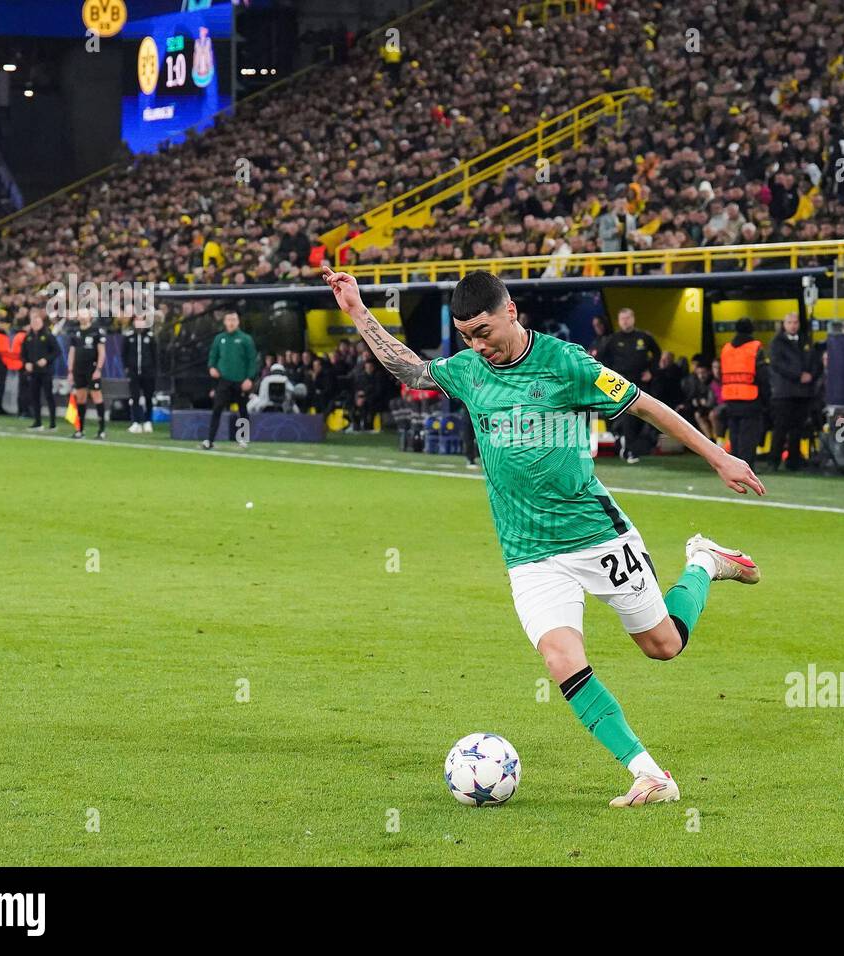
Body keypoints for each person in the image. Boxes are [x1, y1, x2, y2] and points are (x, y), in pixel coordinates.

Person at [324, 265, 765, 808]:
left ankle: (704, 562)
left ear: (511, 311)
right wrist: (357, 311)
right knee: (561, 659)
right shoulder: (468, 370)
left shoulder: (567, 364)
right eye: (466, 336)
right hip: (529, 553)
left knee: (663, 645)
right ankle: (651, 774)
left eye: (483, 332)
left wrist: (720, 458)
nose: (477, 345)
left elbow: (647, 406)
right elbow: (412, 371)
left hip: (596, 536)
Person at [596, 308, 660, 463]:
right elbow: (599, 359)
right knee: (627, 416)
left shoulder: (643, 337)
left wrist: (651, 371)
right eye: (622, 318)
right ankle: (629, 450)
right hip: (620, 383)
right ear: (618, 321)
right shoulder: (612, 339)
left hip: (640, 381)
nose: (625, 321)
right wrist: (607, 380)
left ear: (633, 319)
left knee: (641, 415)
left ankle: (623, 439)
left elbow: (657, 353)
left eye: (627, 318)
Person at [767, 312, 816, 470]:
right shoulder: (776, 342)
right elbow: (777, 364)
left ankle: (793, 462)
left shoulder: (805, 340)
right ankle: (773, 461)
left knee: (797, 428)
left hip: (802, 392)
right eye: (790, 322)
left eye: (795, 322)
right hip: (784, 393)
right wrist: (798, 375)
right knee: (781, 428)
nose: (793, 325)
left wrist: (810, 375)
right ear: (784, 324)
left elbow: (813, 360)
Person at [203, 311, 258, 450]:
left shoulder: (245, 339)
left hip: (241, 381)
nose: (231, 322)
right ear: (225, 322)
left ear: (238, 321)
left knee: (242, 409)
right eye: (229, 319)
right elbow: (213, 356)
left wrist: (249, 378)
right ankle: (210, 439)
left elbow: (252, 360)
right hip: (224, 380)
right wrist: (212, 368)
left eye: (234, 319)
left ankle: (243, 439)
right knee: (217, 408)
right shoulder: (219, 339)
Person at [719, 319, 767, 471]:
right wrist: (766, 398)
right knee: (748, 436)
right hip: (750, 397)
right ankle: (746, 467)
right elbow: (763, 375)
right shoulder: (755, 348)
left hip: (730, 397)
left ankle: (734, 465)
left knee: (734, 434)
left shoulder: (726, 349)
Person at [66, 310, 107, 440]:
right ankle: (80, 429)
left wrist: (98, 369)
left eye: (85, 314)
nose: (83, 316)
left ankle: (101, 430)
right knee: (80, 398)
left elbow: (102, 352)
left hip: (92, 368)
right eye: (80, 314)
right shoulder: (75, 332)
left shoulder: (96, 331)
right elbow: (71, 353)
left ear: (90, 316)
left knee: (96, 396)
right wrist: (70, 371)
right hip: (79, 370)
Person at [20, 313, 59, 430]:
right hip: (33, 372)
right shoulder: (28, 337)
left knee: (48, 396)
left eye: (37, 322)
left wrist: (46, 360)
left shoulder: (48, 335)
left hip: (46, 372)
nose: (35, 325)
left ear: (42, 323)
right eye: (33, 322)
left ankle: (52, 423)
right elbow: (23, 353)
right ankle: (37, 422)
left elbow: (57, 352)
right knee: (34, 397)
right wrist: (26, 363)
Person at [122, 313, 158, 434]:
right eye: (137, 320)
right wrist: (127, 368)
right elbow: (124, 354)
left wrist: (154, 370)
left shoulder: (150, 337)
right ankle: (136, 422)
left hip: (148, 372)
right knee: (135, 397)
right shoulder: (129, 336)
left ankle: (148, 421)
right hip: (133, 372)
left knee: (149, 397)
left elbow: (155, 355)